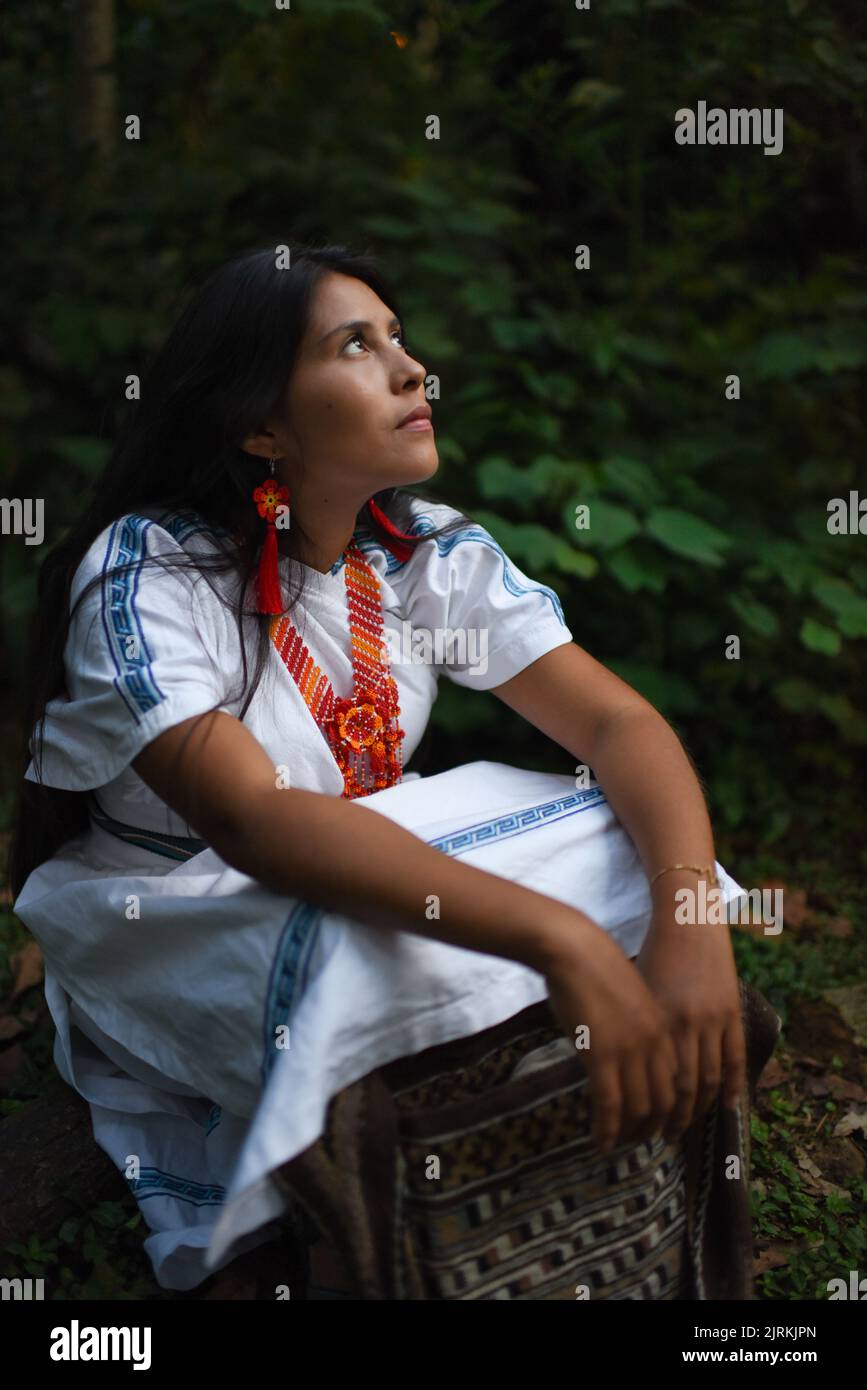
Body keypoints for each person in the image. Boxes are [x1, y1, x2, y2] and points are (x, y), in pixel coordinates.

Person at [9, 242, 755, 1300]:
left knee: (624, 836)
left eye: (399, 338)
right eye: (355, 346)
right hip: (183, 904)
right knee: (368, 941)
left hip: (358, 863)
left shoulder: (419, 553)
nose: (411, 370)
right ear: (262, 425)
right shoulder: (151, 570)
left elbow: (621, 726)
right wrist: (562, 935)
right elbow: (257, 821)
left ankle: (575, 1109)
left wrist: (686, 922)